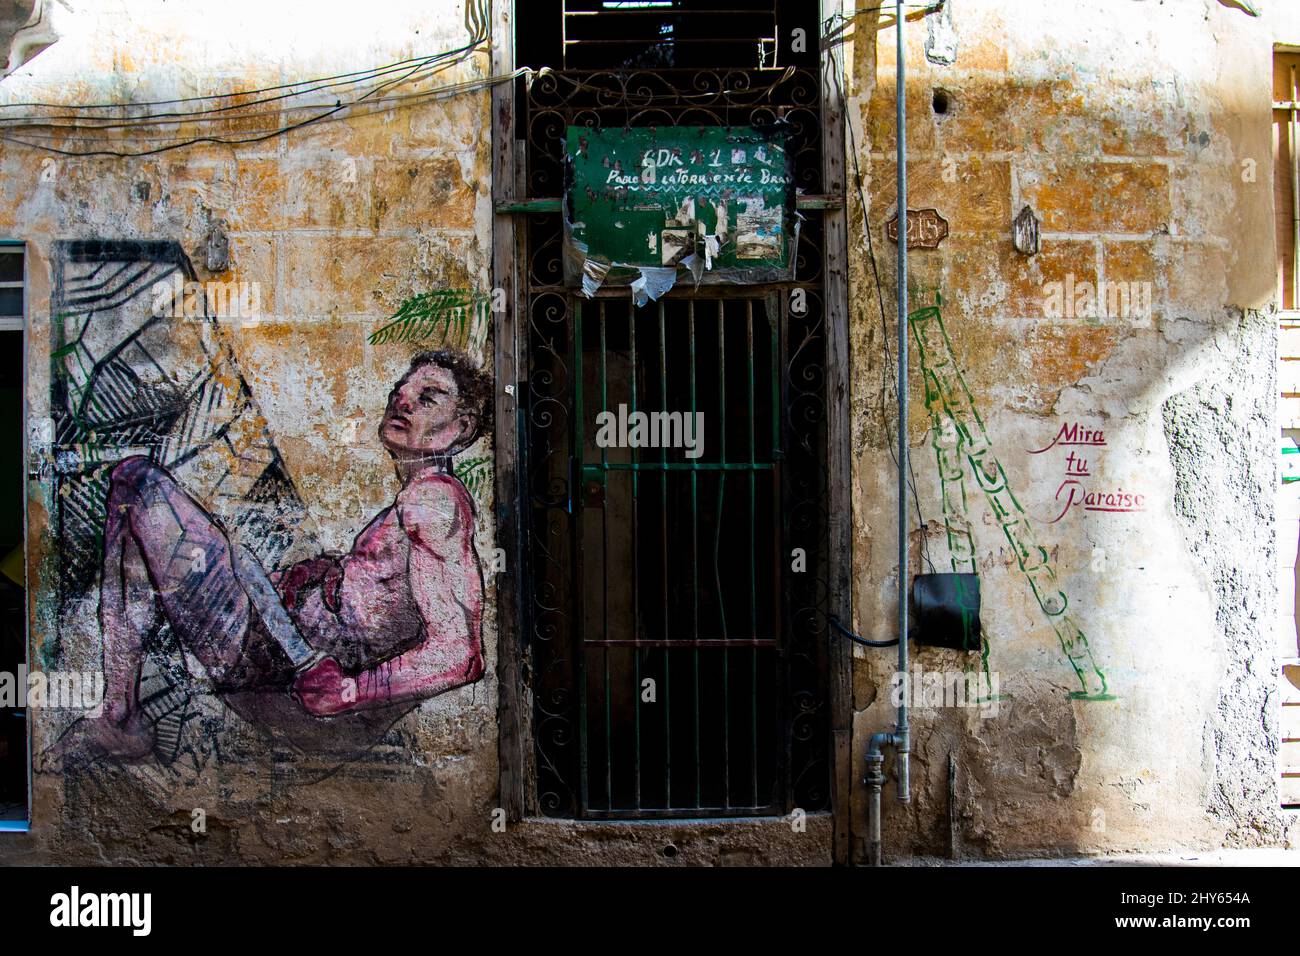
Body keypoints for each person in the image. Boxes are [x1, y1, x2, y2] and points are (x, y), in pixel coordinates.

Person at [76, 349, 489, 759]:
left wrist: (349, 691)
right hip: (285, 657)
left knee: (135, 482)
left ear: (460, 428)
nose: (403, 400)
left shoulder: (435, 501)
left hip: (283, 676)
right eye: (402, 389)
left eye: (428, 397)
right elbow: (384, 596)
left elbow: (459, 654)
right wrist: (326, 574)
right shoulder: (418, 500)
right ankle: (121, 717)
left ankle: (119, 718)